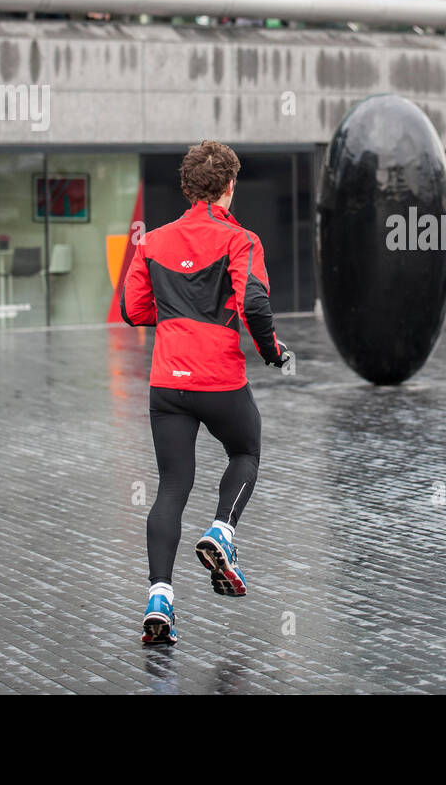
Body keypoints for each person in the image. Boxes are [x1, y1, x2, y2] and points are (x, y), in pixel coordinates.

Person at [121, 141, 293, 645]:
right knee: (245, 449)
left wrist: (177, 313)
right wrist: (270, 349)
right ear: (229, 188)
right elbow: (255, 304)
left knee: (172, 487)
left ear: (188, 187)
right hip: (219, 377)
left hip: (167, 381)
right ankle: (221, 531)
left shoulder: (152, 241)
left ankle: (159, 599)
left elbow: (133, 310)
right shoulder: (241, 240)